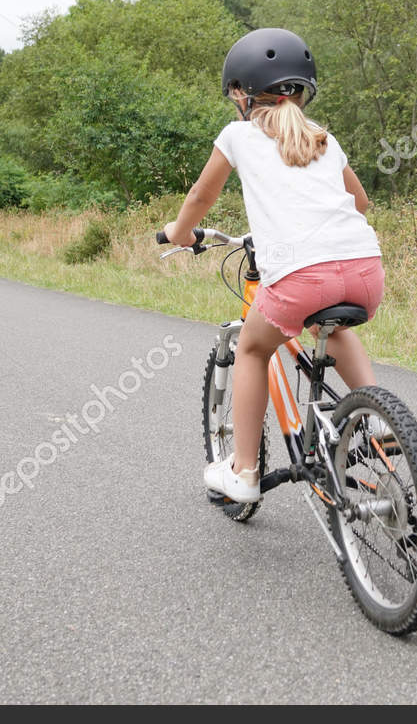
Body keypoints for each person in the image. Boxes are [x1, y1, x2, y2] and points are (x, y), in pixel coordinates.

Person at [163, 28, 383, 502]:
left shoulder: (238, 134)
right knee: (337, 330)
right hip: (366, 271)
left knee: (251, 348)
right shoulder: (324, 137)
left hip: (300, 277)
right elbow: (359, 202)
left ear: (241, 93)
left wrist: (180, 232)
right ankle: (379, 418)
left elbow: (202, 195)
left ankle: (243, 472)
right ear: (302, 90)